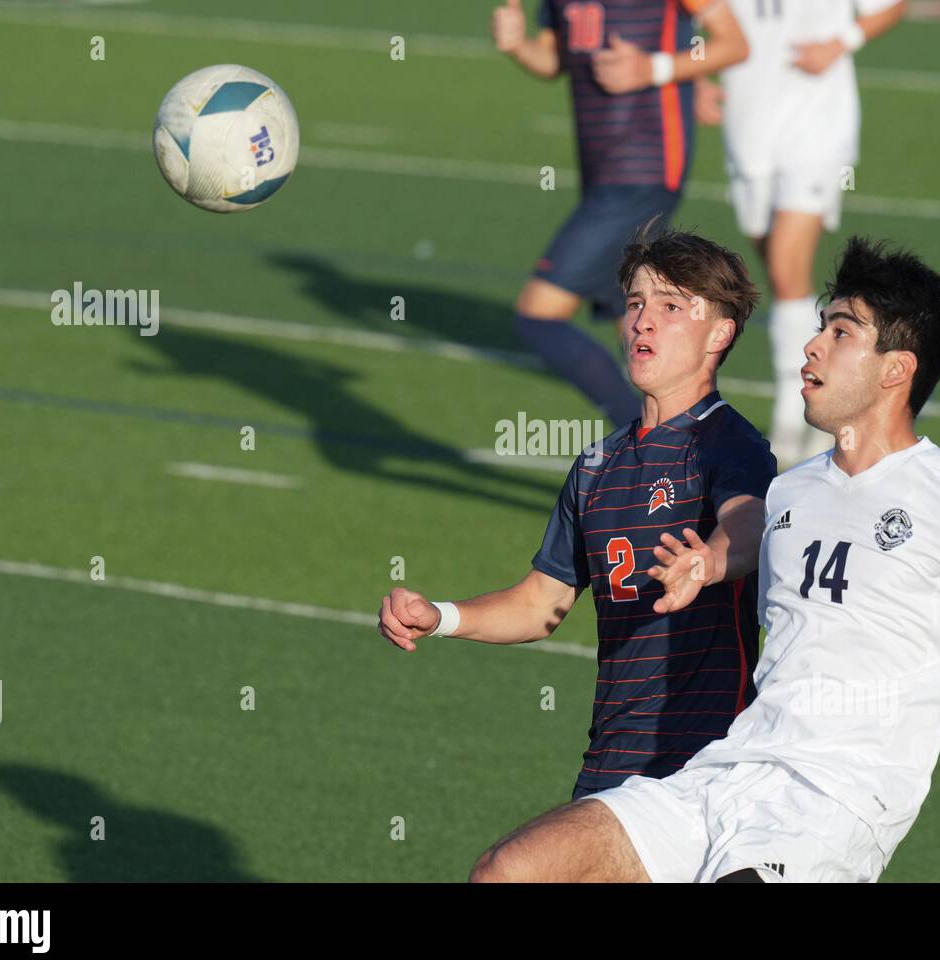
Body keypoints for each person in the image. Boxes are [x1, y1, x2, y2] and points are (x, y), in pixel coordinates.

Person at [468, 236, 940, 882]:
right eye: (820, 326)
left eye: (841, 332)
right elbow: (732, 549)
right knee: (512, 870)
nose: (813, 345)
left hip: (833, 802)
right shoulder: (789, 490)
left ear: (896, 369)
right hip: (724, 774)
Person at [379, 229, 775, 799]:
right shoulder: (596, 466)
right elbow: (539, 605)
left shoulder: (730, 445)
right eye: (634, 303)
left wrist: (707, 563)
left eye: (670, 307)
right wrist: (439, 616)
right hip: (611, 762)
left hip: (705, 763)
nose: (642, 321)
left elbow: (749, 523)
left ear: (720, 333)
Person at [491, 0, 748, 427]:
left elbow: (733, 44)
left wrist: (654, 69)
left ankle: (644, 438)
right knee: (638, 327)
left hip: (644, 169)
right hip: (602, 172)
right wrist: (519, 46)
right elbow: (555, 58)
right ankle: (676, 448)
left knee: (538, 317)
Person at [696, 0, 906, 467]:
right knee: (781, 276)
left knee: (786, 270)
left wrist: (840, 42)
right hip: (749, 131)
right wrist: (696, 77)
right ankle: (839, 386)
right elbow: (697, 21)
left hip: (815, 128)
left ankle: (794, 415)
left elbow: (891, 6)